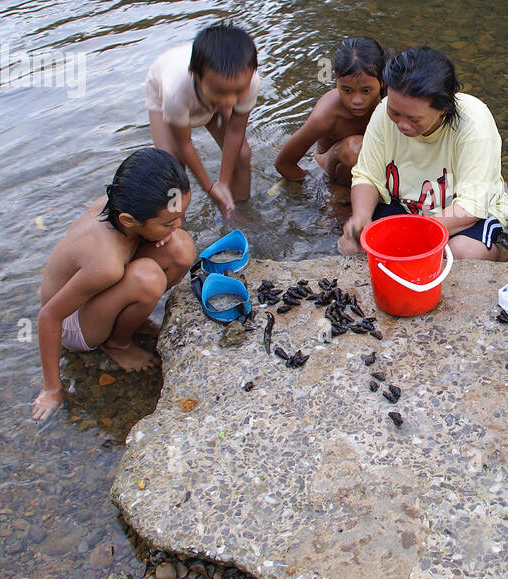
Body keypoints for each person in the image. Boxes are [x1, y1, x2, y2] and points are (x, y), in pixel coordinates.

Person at [32, 148, 196, 421]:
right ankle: (117, 343)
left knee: (181, 247)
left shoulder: (118, 205)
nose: (178, 223)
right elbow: (49, 316)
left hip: (94, 292)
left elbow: (158, 234)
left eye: (181, 214)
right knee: (148, 278)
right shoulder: (106, 263)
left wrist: (157, 234)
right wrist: (51, 388)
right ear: (129, 221)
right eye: (168, 221)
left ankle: (130, 318)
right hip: (71, 323)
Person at [338, 46, 508, 260]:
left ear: (444, 108)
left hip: (463, 212)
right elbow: (367, 176)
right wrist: (361, 217)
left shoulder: (474, 124)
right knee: (352, 247)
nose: (402, 125)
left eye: (414, 119)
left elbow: (471, 206)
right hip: (405, 204)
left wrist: (413, 237)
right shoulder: (383, 112)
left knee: (464, 253)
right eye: (394, 112)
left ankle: (500, 256)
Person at [147, 24, 266, 220]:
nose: (230, 101)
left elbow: (235, 132)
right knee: (173, 169)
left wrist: (223, 183)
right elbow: (184, 144)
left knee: (242, 155)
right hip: (163, 98)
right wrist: (210, 188)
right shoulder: (176, 90)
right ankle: (175, 225)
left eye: (238, 92)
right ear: (195, 75)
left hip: (206, 96)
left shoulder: (248, 82)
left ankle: (240, 214)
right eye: (221, 93)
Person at [274, 36, 386, 189]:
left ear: (382, 81)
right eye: (347, 90)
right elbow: (284, 163)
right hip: (333, 167)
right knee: (354, 149)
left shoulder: (391, 103)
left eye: (366, 90)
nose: (357, 100)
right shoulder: (327, 114)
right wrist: (318, 188)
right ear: (335, 79)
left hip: (374, 165)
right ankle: (342, 189)